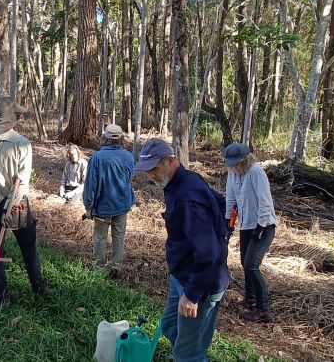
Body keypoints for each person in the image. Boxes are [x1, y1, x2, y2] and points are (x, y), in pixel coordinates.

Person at [134, 138, 228, 362]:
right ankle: (193, 350)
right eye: (146, 171)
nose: (150, 176)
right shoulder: (179, 181)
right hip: (181, 275)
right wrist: (221, 230)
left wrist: (193, 295)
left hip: (198, 284)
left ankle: (192, 355)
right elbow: (220, 202)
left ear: (170, 160)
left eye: (154, 169)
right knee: (169, 327)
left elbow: (207, 254)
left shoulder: (188, 197)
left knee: (187, 355)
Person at [0, 97, 47, 310]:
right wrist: (8, 203)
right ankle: (38, 288)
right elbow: (23, 180)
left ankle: (3, 295)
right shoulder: (22, 143)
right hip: (16, 205)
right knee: (28, 247)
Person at [223, 142, 277, 323]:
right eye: (231, 164)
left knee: (252, 265)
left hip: (264, 226)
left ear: (245, 160)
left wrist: (260, 227)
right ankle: (250, 299)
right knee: (244, 263)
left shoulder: (256, 172)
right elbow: (231, 197)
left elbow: (265, 202)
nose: (234, 167)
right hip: (246, 224)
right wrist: (227, 221)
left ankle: (264, 310)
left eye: (237, 164)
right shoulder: (232, 174)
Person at [82, 124, 135, 279]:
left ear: (104, 138)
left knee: (100, 237)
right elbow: (130, 178)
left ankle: (98, 269)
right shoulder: (128, 156)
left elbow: (90, 184)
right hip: (122, 203)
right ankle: (115, 268)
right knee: (119, 237)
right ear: (121, 139)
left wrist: (88, 205)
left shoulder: (97, 157)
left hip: (102, 205)